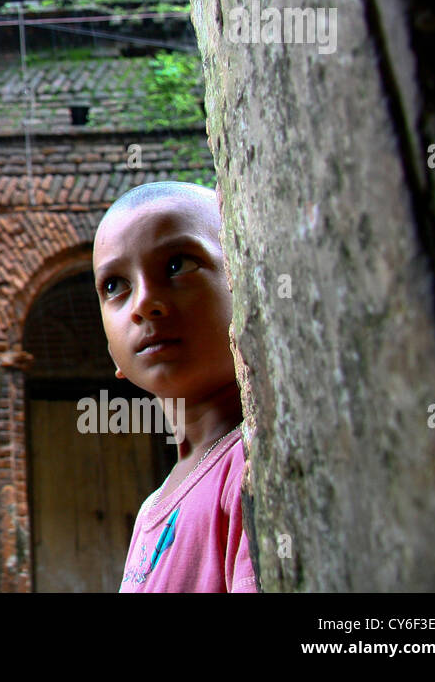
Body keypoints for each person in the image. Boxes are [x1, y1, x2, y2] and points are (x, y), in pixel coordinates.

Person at [92, 180, 258, 592]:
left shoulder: (253, 465)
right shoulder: (154, 506)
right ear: (113, 353)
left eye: (177, 265)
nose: (144, 302)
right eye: (115, 285)